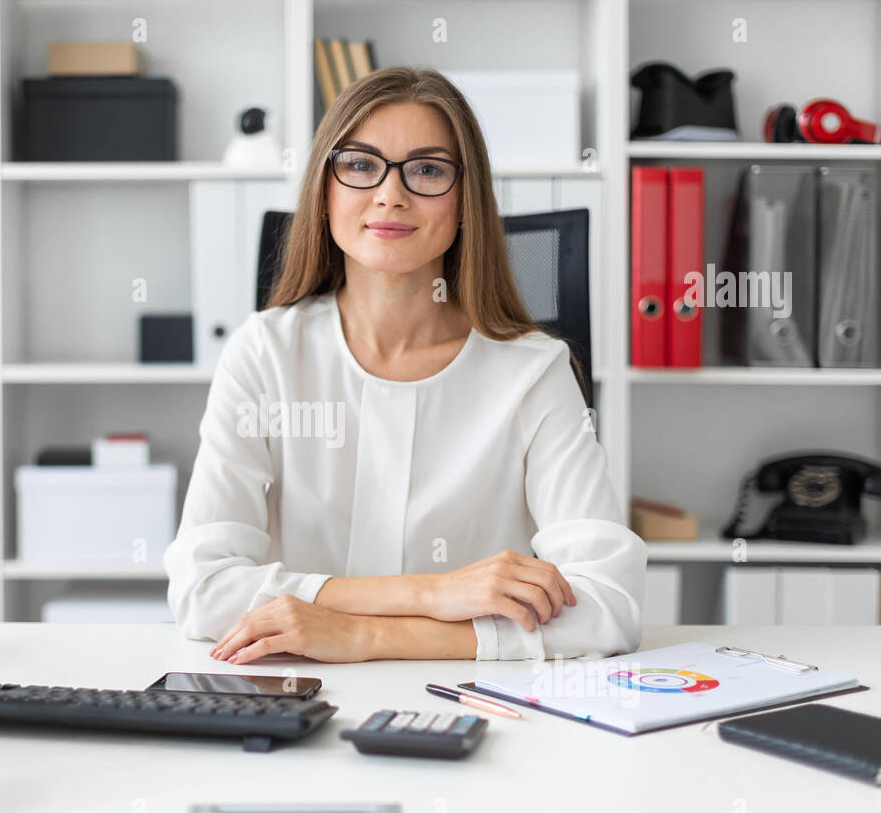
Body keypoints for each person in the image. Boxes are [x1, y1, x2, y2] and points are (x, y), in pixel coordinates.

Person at [163, 66, 646, 664]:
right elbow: (202, 588)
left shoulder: (534, 371)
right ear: (325, 190)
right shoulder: (263, 352)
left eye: (427, 170)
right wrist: (434, 593)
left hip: (478, 709)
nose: (391, 194)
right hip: (291, 698)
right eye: (361, 165)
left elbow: (611, 605)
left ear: (466, 201)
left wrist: (368, 635)